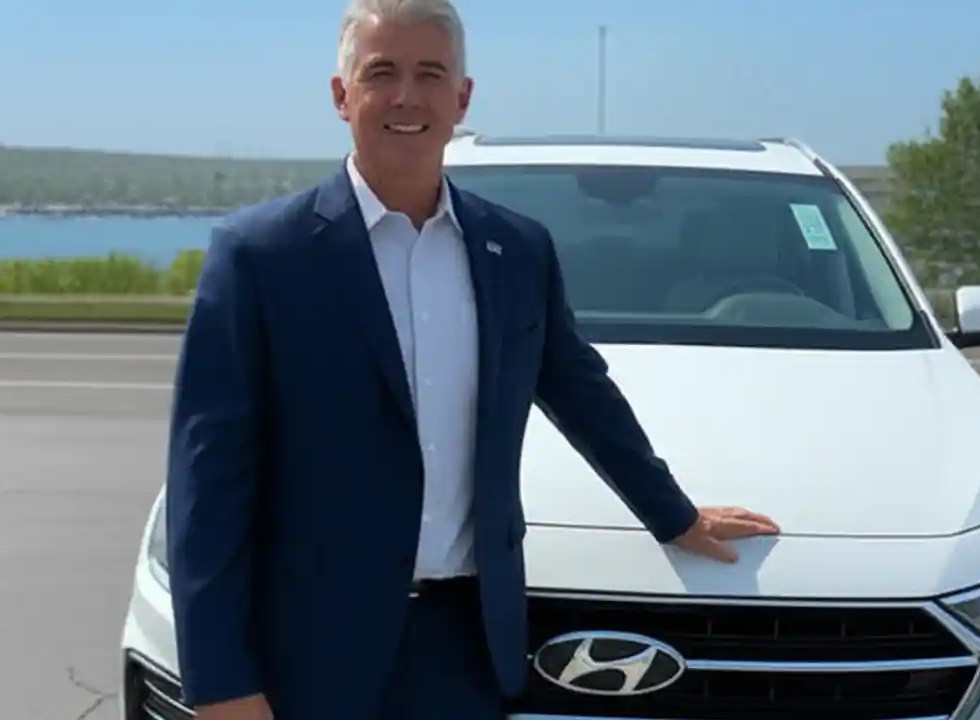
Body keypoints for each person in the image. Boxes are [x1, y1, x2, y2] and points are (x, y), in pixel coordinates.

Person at [164, 0, 780, 718]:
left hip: (465, 649)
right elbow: (206, 490)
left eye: (430, 74)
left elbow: (581, 392)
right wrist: (220, 685)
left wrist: (675, 515)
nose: (406, 96)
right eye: (381, 72)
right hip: (308, 653)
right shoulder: (261, 257)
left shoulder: (516, 251)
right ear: (341, 95)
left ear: (462, 97)